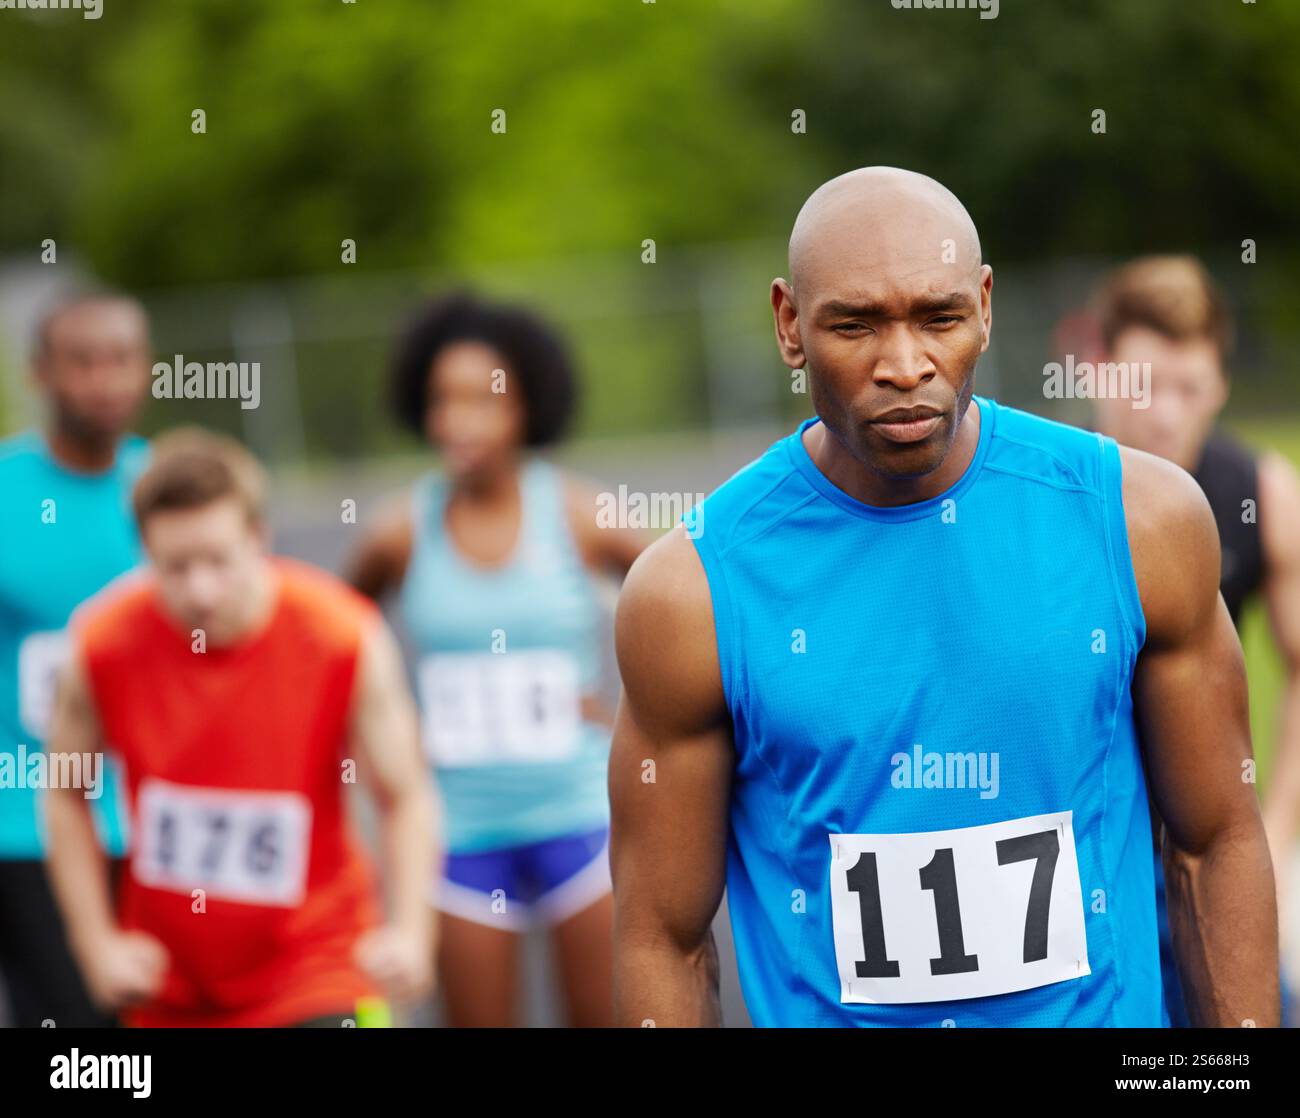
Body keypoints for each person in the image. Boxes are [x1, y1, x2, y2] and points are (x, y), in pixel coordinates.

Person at [610, 167, 1279, 1027]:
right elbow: (662, 936)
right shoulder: (692, 591)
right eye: (854, 325)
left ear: (986, 306)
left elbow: (1213, 841)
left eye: (940, 318)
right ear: (789, 324)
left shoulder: (1139, 521)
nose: (905, 364)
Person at [44, 430, 437, 1027]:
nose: (200, 591)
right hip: (167, 984)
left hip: (317, 968)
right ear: (144, 549)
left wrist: (410, 930)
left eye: (218, 561)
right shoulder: (101, 642)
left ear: (259, 537)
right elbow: (63, 790)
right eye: (174, 567)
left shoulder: (340, 634)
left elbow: (405, 791)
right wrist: (95, 943)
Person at [348, 294, 647, 1027]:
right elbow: (334, 638)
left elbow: (689, 600)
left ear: (529, 405)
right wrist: (391, 729)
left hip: (579, 820)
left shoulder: (580, 516)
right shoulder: (398, 533)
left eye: (483, 400)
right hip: (459, 836)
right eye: (441, 400)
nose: (458, 420)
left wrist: (632, 717)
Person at [1089, 255, 1300, 1026]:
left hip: (1213, 831)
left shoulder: (1263, 494)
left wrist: (1276, 830)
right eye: (1144, 386)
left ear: (1220, 385)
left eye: (1191, 389)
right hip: (1090, 857)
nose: (1166, 414)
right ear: (1100, 374)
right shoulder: (1047, 497)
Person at [0, 292, 151, 1027]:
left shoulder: (170, 491)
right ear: (41, 374)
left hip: (159, 823)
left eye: (120, 358)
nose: (104, 379)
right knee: (80, 1048)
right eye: (82, 362)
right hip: (26, 820)